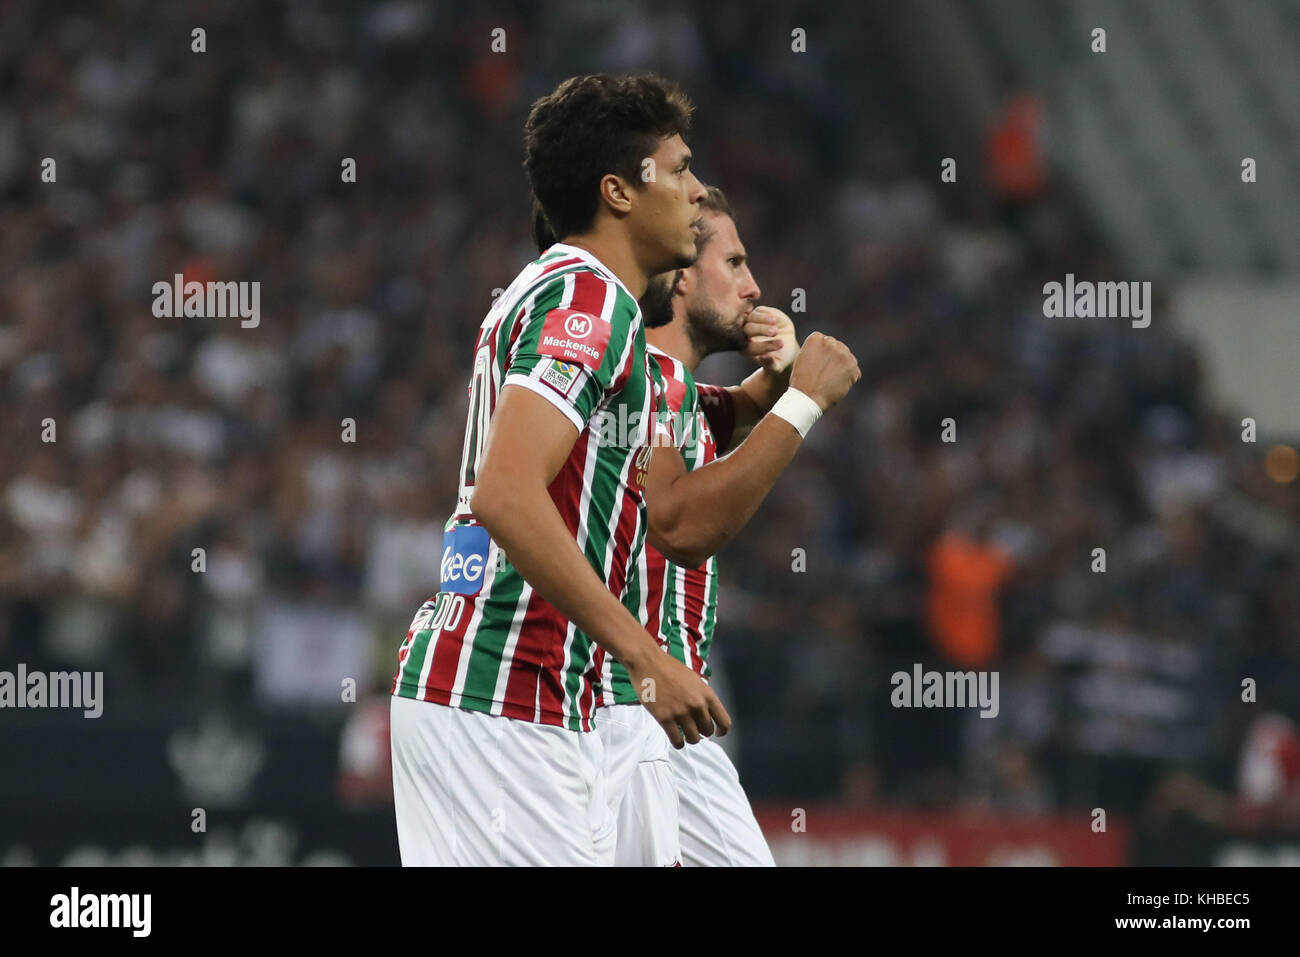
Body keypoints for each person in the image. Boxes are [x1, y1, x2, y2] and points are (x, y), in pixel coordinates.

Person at [389, 73, 725, 866]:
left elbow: (630, 426)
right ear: (618, 192)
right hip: (504, 695)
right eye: (677, 170)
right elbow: (506, 491)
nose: (698, 190)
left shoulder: (557, 292)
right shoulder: (589, 298)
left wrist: (763, 402)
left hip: (513, 695)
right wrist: (647, 655)